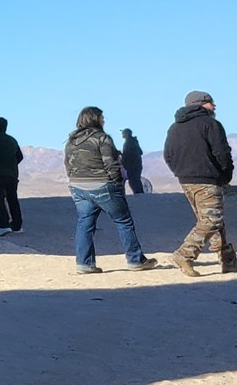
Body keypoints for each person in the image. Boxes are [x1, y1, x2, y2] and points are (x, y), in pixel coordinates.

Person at [66, 106, 161, 273]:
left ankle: (84, 263)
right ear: (94, 119)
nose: (104, 120)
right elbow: (111, 163)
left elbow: (68, 164)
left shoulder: (71, 140)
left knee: (85, 224)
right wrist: (117, 184)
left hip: (78, 186)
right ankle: (135, 259)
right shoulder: (102, 138)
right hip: (102, 185)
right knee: (123, 221)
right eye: (102, 117)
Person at [161, 90, 234, 278]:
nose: (214, 106)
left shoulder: (175, 127)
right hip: (206, 179)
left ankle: (228, 260)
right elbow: (222, 152)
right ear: (201, 104)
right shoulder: (211, 124)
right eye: (211, 102)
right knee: (212, 220)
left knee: (210, 219)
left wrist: (180, 171)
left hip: (186, 181)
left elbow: (168, 154)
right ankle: (184, 254)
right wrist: (226, 173)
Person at [120, 129, 147, 195]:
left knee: (133, 181)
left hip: (132, 166)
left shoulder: (129, 142)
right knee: (136, 180)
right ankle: (140, 194)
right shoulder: (134, 141)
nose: (122, 135)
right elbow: (140, 152)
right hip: (136, 165)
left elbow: (127, 155)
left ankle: (139, 195)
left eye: (123, 133)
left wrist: (122, 157)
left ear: (127, 134)